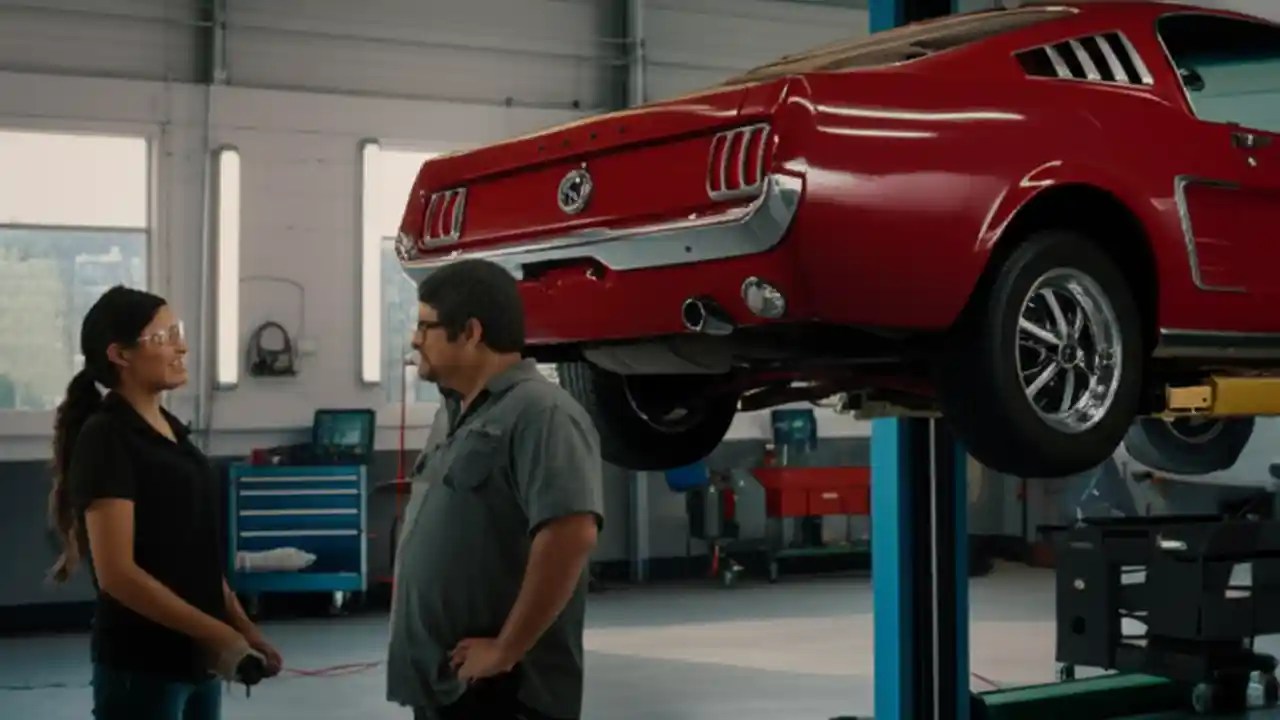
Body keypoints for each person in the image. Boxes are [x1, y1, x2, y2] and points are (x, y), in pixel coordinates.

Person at [46, 285, 283, 720]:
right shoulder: (108, 437)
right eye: (164, 336)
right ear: (121, 354)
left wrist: (243, 628)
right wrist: (218, 634)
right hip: (143, 665)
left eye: (179, 331)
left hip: (199, 662)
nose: (182, 346)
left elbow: (198, 559)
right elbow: (118, 575)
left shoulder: (174, 433)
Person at [386, 259, 605, 720]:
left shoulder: (541, 414)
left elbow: (570, 533)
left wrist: (507, 649)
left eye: (426, 327)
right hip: (449, 687)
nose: (414, 340)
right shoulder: (455, 413)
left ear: (470, 332)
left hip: (505, 693)